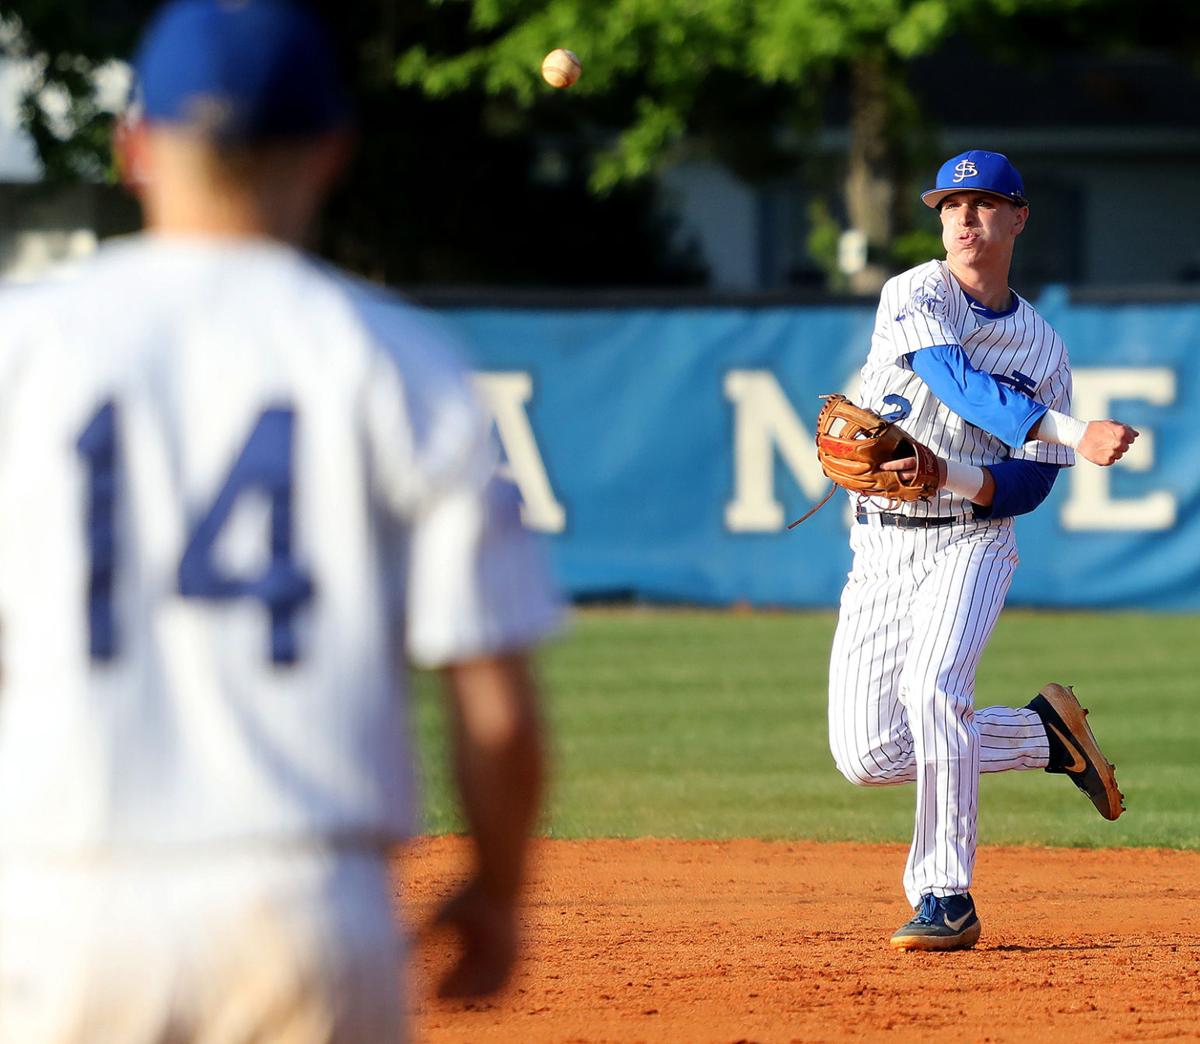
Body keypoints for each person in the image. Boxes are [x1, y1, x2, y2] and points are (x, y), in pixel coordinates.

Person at [0, 1, 561, 1040]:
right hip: (305, 903)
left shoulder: (21, 346)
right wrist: (495, 887)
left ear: (134, 149)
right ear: (331, 152)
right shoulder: (400, 361)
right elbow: (497, 710)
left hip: (59, 901)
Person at [826, 149, 1137, 952]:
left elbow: (1029, 488)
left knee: (935, 692)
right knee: (867, 753)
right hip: (881, 547)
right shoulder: (915, 291)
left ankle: (945, 895)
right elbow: (958, 383)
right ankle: (1045, 736)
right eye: (951, 204)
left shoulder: (1043, 351)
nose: (966, 218)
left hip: (973, 543)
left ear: (1018, 217)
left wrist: (948, 474)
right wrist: (1075, 428)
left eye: (986, 203)